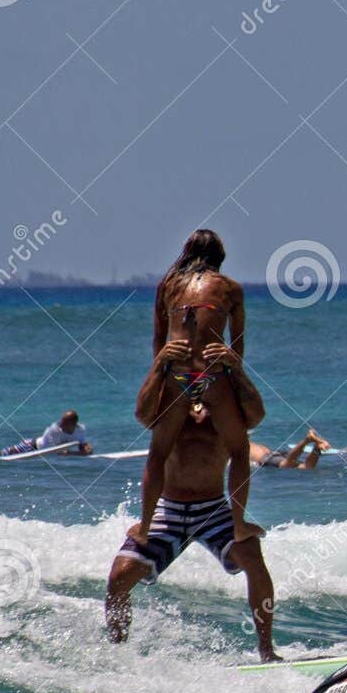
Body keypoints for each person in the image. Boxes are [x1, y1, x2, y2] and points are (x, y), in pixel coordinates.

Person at [107, 363, 278, 659]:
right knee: (119, 577)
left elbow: (257, 414)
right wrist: (161, 364)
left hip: (213, 509)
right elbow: (141, 412)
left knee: (252, 557)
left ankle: (266, 651)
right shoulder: (168, 414)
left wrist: (236, 367)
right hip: (169, 510)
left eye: (206, 384)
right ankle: (117, 652)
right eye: (191, 384)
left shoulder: (227, 417)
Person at [134, 230, 260, 547]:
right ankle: (238, 524)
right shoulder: (231, 288)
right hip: (213, 373)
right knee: (240, 450)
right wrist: (233, 373)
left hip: (176, 372)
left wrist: (162, 375)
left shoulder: (168, 285)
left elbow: (158, 340)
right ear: (220, 258)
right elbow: (238, 343)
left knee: (158, 453)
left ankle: (145, 527)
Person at [0, 410, 92, 459]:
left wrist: (84, 450)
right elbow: (58, 452)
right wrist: (71, 453)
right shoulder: (54, 430)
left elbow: (85, 448)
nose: (60, 423)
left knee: (0, 453)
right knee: (0, 453)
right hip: (31, 447)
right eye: (61, 421)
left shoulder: (80, 430)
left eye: (64, 422)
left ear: (73, 424)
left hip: (44, 451)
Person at [251, 430, 330, 470]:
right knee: (307, 467)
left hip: (267, 458)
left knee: (285, 465)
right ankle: (316, 448)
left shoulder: (242, 446)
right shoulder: (251, 444)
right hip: (276, 454)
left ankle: (307, 440)